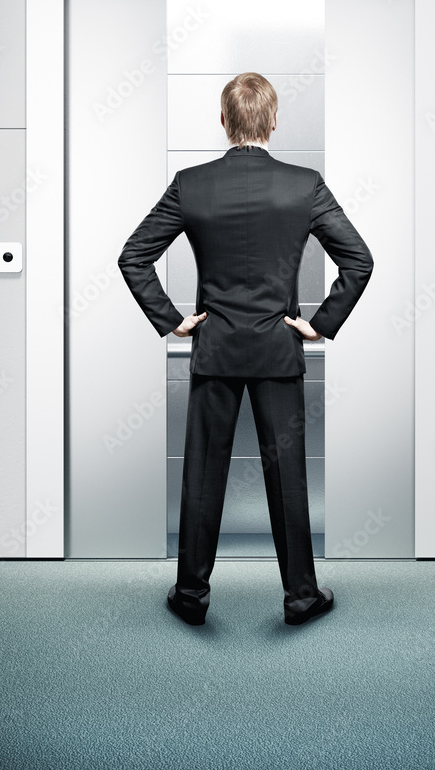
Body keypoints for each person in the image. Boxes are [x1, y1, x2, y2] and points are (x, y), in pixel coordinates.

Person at [118, 72, 373, 626]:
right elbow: (360, 259)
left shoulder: (192, 183)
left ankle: (190, 596)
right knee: (288, 477)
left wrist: (173, 321)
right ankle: (302, 597)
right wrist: (320, 324)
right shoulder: (305, 185)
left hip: (215, 349)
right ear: (274, 121)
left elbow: (133, 255)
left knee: (203, 473)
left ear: (224, 121)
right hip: (279, 349)